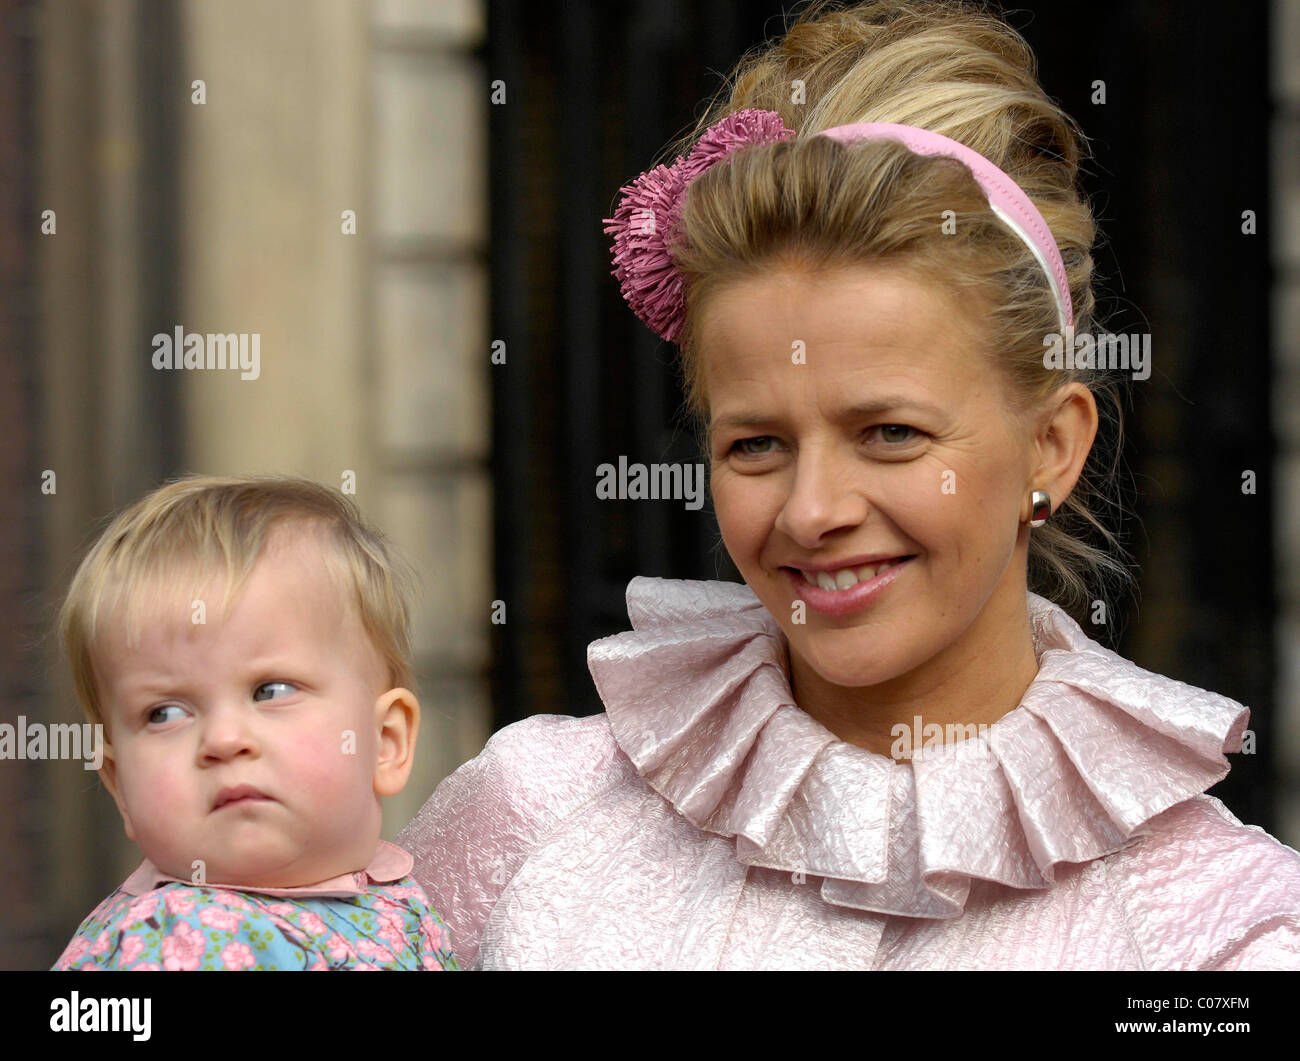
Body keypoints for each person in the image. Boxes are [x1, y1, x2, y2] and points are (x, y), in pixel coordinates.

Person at [398, 0, 1300, 968]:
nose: (813, 510)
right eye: (755, 445)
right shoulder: (528, 815)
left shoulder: (1218, 933)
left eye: (890, 433)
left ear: (1051, 444)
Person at [52, 474, 458, 970]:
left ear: (385, 741)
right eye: (165, 714)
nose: (223, 740)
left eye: (271, 691)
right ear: (120, 786)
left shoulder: (403, 905)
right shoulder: (169, 940)